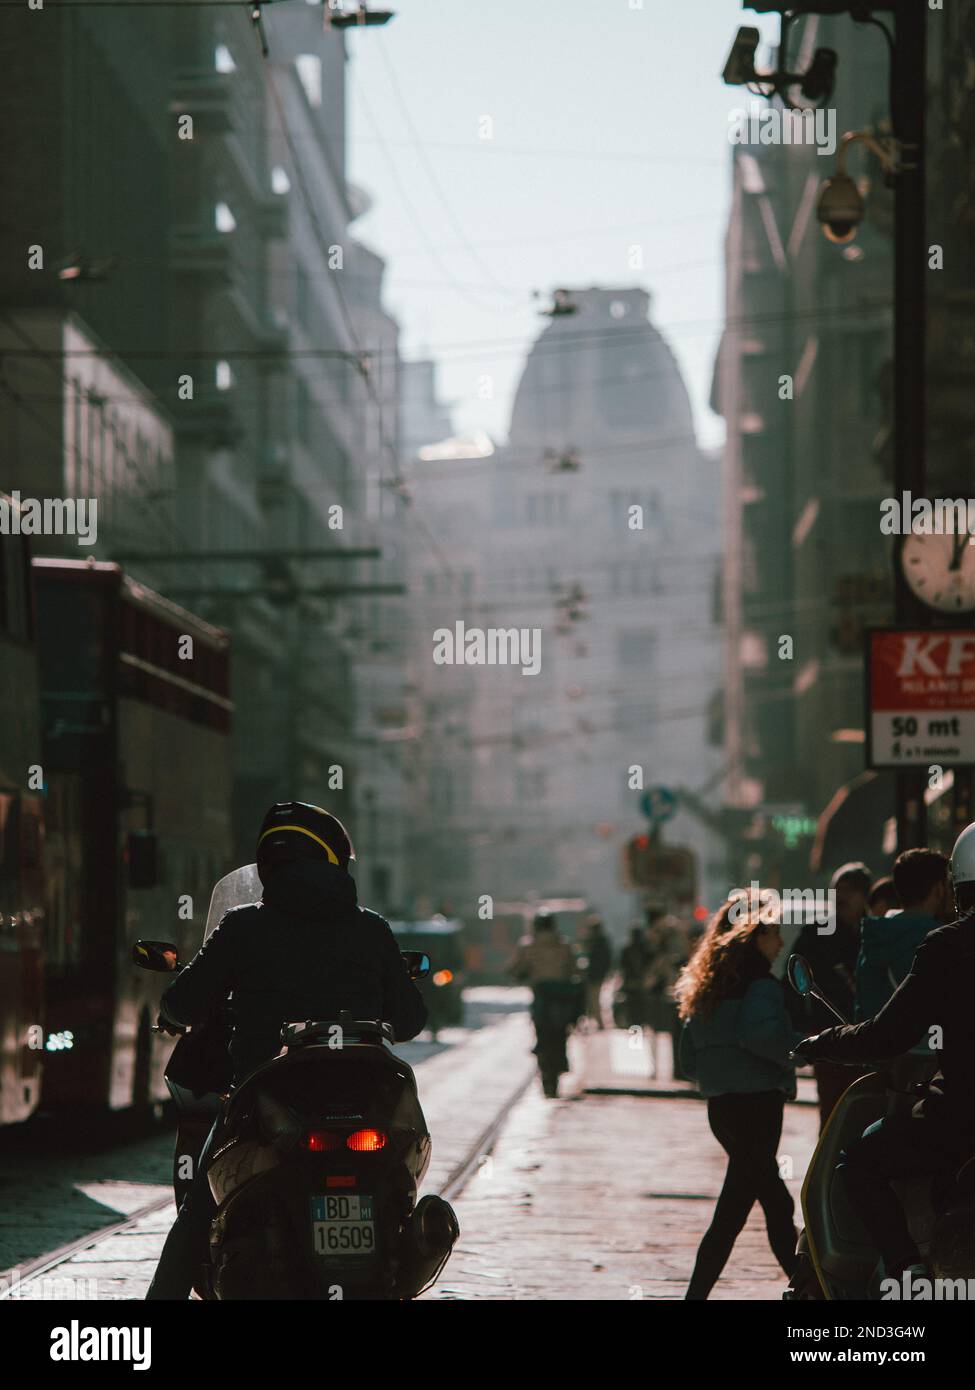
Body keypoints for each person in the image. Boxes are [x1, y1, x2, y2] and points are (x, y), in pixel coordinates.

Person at [145, 801, 427, 1300]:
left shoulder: (243, 925)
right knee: (399, 1192)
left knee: (198, 1213)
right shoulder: (372, 929)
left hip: (267, 1095)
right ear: (334, 861)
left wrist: (172, 1015)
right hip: (367, 1098)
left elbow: (182, 1002)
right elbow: (409, 1020)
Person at [794, 821, 975, 1287]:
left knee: (856, 1164)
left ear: (958, 886)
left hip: (958, 1123)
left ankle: (907, 1272)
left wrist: (824, 1042)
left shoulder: (946, 947)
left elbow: (885, 1037)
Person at [676, 900, 802, 1300]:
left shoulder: (708, 988)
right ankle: (812, 1288)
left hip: (723, 1109)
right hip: (759, 1105)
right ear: (753, 935)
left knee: (760, 1204)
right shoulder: (763, 985)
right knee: (762, 1206)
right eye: (774, 932)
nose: (780, 942)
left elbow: (688, 1059)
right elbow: (759, 1036)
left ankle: (809, 1287)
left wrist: (721, 1073)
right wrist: (800, 1050)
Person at [789, 861, 872, 1128]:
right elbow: (792, 980)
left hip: (870, 1039)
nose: (841, 897)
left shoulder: (876, 934)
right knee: (832, 1114)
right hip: (829, 1037)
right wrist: (803, 1027)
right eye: (836, 890)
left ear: (865, 895)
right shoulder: (816, 934)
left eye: (849, 890)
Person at [855, 849, 950, 1021]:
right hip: (929, 1047)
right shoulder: (944, 940)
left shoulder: (874, 937)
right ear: (938, 889)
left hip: (878, 1045)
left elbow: (861, 1008)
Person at [508, 909, 580, 1098]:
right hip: (563, 998)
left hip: (542, 997)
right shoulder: (565, 944)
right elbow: (575, 971)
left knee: (542, 1034)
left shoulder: (528, 945)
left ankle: (546, 1069)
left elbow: (515, 969)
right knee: (561, 1033)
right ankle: (560, 1063)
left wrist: (524, 974)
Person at [581, 914, 611, 1030]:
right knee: (593, 999)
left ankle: (599, 1023)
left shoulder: (596, 942)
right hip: (598, 974)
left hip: (594, 975)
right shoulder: (602, 941)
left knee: (593, 999)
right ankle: (597, 1022)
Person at [619, 924, 652, 1029]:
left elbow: (623, 967)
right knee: (639, 1006)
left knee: (633, 1007)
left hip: (631, 982)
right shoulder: (645, 949)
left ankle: (635, 1026)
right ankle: (638, 1024)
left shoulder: (627, 949)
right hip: (640, 982)